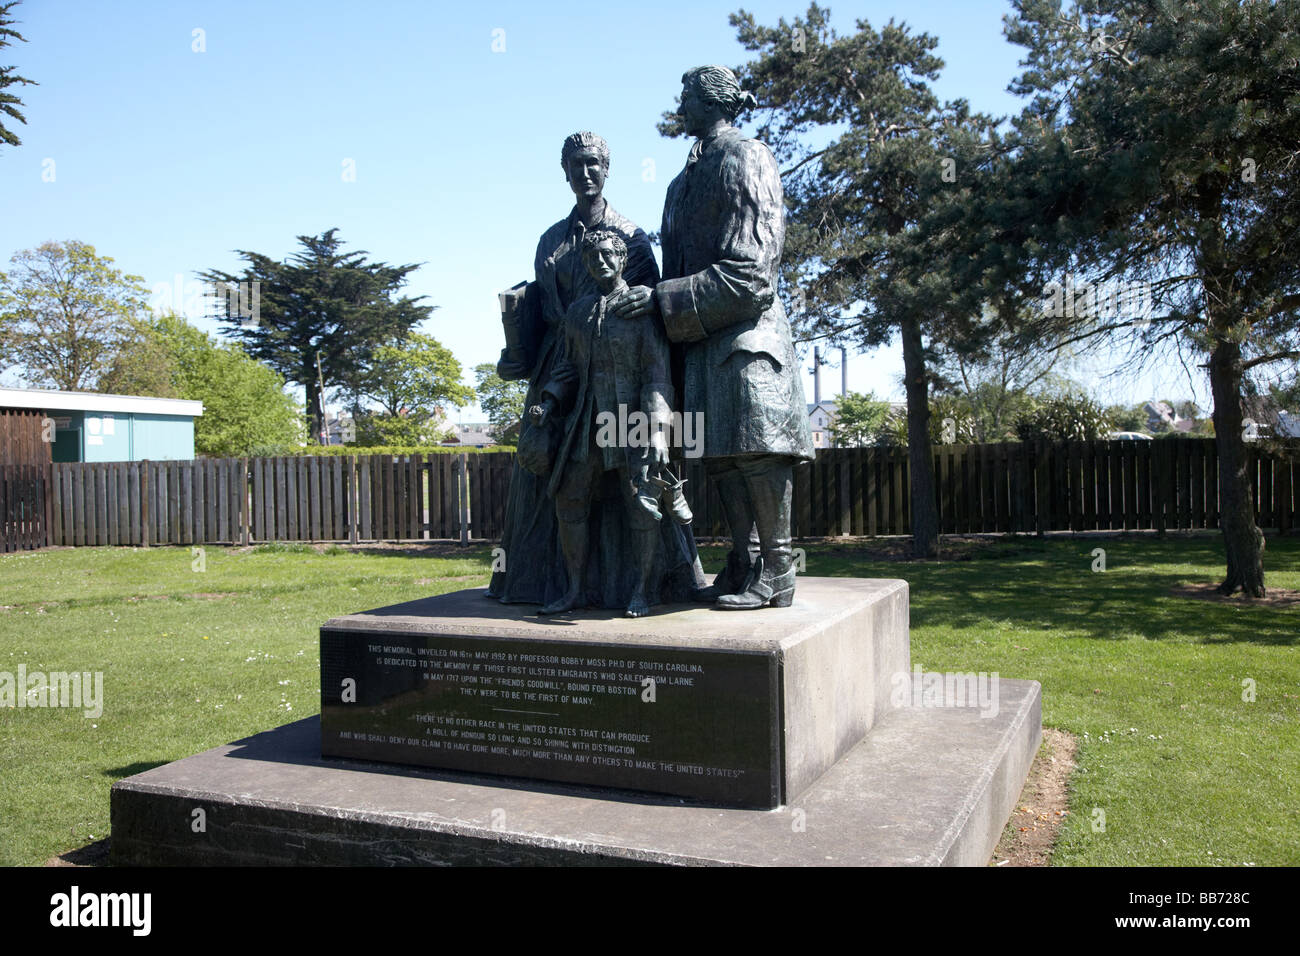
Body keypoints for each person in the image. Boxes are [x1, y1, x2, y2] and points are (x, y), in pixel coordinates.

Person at [611, 66, 815, 610]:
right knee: (723, 457)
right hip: (703, 347)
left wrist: (661, 299)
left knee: (756, 455)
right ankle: (743, 563)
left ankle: (779, 571)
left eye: (686, 95)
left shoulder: (747, 156)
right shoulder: (681, 183)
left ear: (710, 101)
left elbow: (752, 273)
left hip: (748, 340)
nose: (679, 103)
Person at [489, 132, 700, 606]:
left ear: (606, 170)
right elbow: (543, 310)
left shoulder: (632, 236)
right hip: (564, 369)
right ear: (564, 171)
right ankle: (548, 584)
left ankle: (644, 585)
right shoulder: (551, 241)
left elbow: (648, 318)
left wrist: (655, 415)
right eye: (576, 165)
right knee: (550, 481)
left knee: (636, 490)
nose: (585, 173)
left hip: (624, 377)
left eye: (593, 164)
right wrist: (518, 351)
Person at [530, 230, 682, 617]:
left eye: (607, 255)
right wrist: (549, 400)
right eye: (592, 257)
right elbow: (566, 366)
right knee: (570, 500)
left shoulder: (640, 308)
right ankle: (575, 588)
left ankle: (641, 590)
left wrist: (658, 430)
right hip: (585, 421)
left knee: (641, 506)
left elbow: (657, 374)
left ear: (622, 259)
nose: (600, 261)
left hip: (631, 422)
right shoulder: (578, 312)